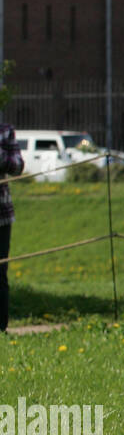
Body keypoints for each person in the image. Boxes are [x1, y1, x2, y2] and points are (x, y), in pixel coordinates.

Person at [0, 120, 23, 332]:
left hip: (1, 214)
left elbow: (18, 166)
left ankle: (0, 327)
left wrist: (1, 157)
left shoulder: (5, 130)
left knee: (0, 271)